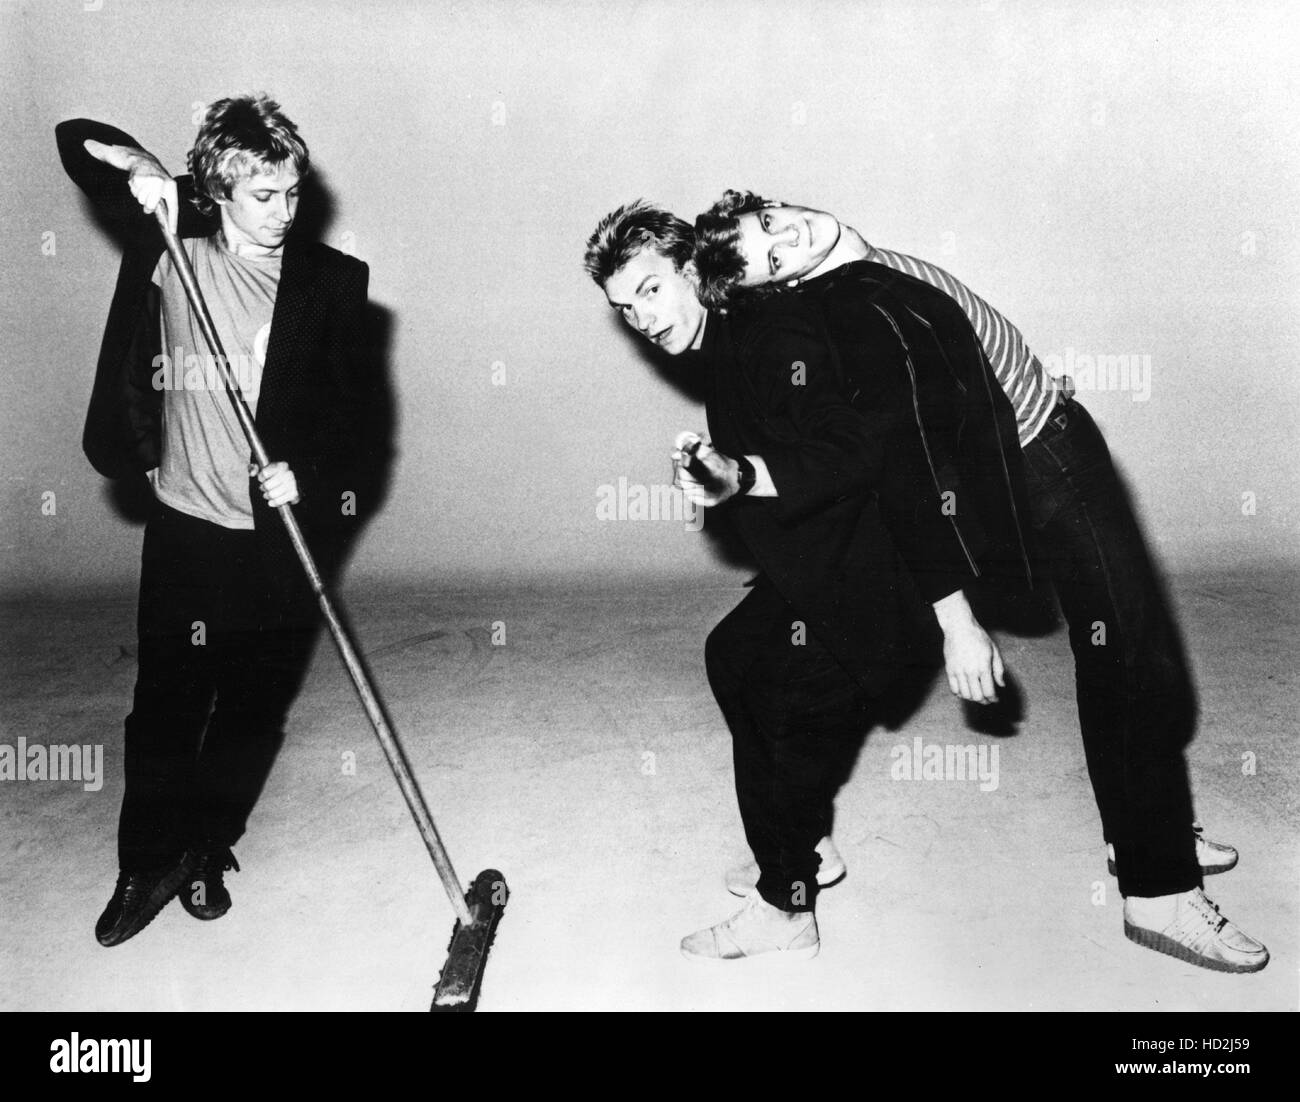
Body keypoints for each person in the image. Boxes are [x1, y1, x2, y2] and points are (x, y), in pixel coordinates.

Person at [690, 190, 1267, 973]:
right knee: (1130, 656)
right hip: (1044, 467)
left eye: (771, 221)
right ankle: (1157, 887)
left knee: (1132, 653)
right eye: (775, 255)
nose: (786, 232)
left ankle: (1144, 826)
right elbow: (906, 466)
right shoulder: (856, 313)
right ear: (786, 287)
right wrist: (955, 618)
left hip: (1053, 433)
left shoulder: (857, 267)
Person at [583, 202, 1030, 962]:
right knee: (735, 659)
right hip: (831, 562)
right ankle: (804, 849)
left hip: (885, 573)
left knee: (788, 710)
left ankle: (785, 904)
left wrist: (740, 475)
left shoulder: (770, 339)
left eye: (651, 292)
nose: (642, 321)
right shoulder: (732, 336)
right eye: (625, 309)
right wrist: (734, 477)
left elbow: (859, 452)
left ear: (693, 271)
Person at [56, 95, 373, 947]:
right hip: (186, 526)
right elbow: (74, 140)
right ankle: (145, 861)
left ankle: (204, 848)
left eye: (294, 193)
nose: (283, 213)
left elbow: (358, 423)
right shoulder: (171, 242)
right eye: (263, 195)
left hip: (275, 539)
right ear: (219, 189)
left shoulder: (334, 284)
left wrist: (308, 473)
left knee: (249, 709)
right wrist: (142, 171)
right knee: (165, 701)